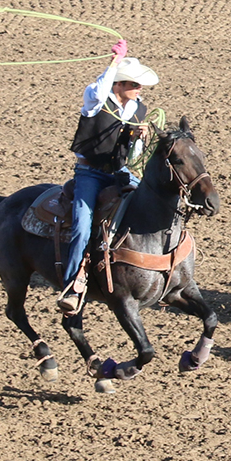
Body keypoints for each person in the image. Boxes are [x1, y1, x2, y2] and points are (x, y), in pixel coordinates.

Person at [57, 40, 159, 312]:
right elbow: (100, 88)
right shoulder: (96, 99)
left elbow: (134, 152)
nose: (139, 90)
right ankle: (73, 285)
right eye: (134, 85)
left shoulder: (139, 109)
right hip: (90, 172)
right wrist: (113, 63)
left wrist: (140, 137)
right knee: (82, 224)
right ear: (118, 85)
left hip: (119, 170)